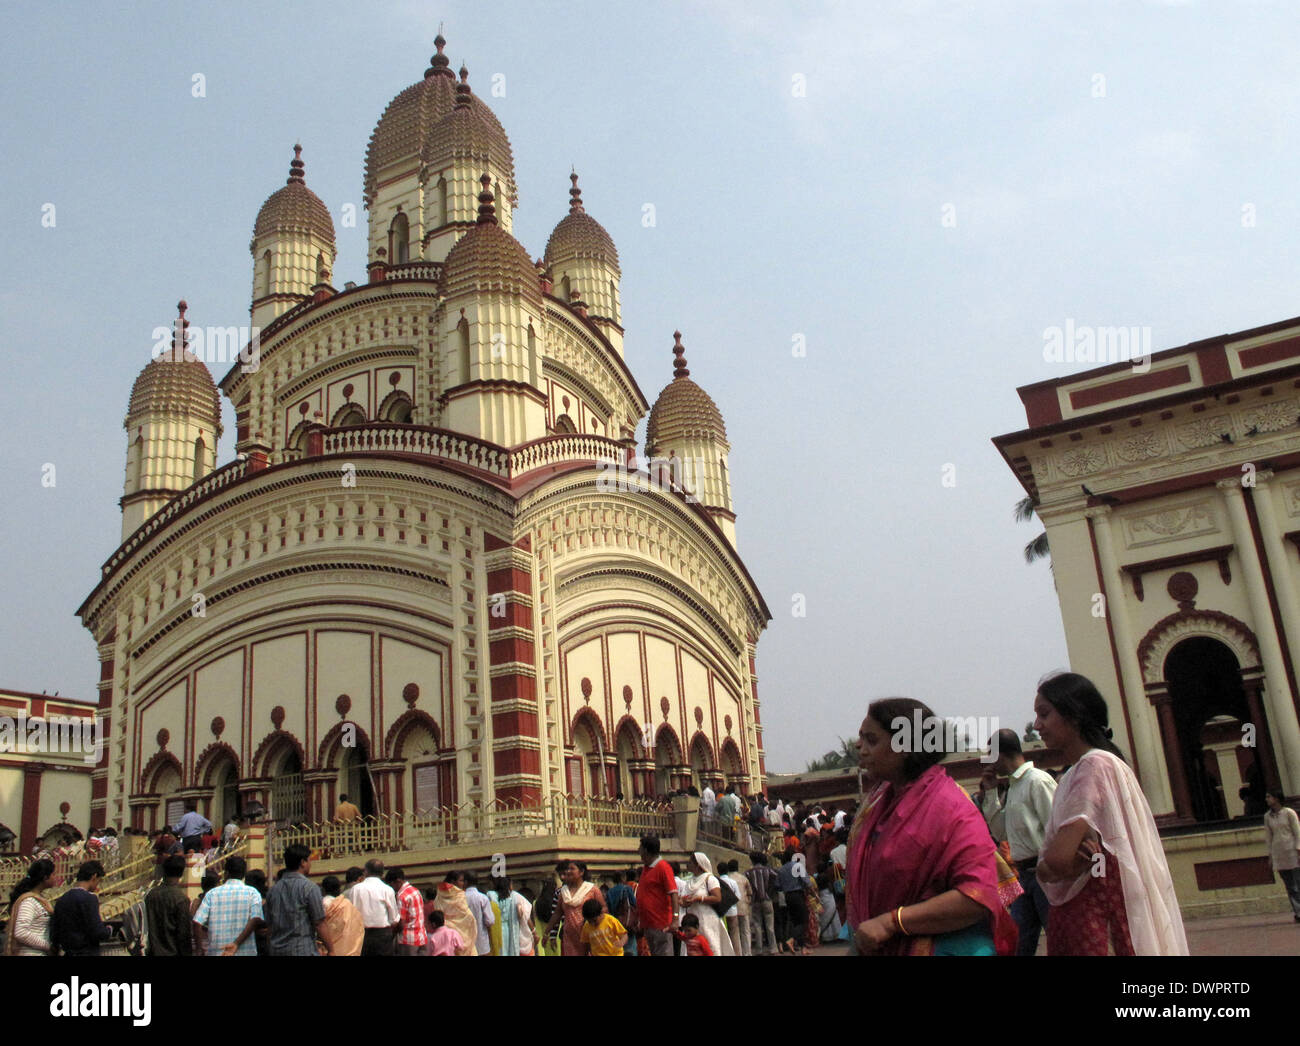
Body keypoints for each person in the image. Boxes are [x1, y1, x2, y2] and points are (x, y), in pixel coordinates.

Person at [849, 698, 1018, 956]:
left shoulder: (949, 807)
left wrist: (892, 921)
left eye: (872, 740)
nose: (860, 747)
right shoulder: (880, 804)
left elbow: (977, 896)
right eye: (861, 738)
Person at [1034, 672, 1187, 955]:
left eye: (1044, 714)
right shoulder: (1075, 775)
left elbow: (1053, 861)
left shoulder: (1093, 767)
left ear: (1074, 715)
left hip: (1099, 914)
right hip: (1093, 909)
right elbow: (1046, 867)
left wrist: (1063, 865)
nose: (1036, 726)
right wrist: (1062, 864)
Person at [980, 726, 1057, 955]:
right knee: (1019, 943)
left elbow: (1056, 827)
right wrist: (991, 793)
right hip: (1025, 876)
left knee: (1059, 938)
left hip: (1044, 874)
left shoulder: (1037, 781)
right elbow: (1003, 832)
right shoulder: (1014, 786)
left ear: (1001, 755)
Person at [260, 844, 325, 956]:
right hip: (303, 949)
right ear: (303, 862)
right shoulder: (310, 888)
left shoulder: (273, 891)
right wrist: (332, 948)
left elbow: (269, 927)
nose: (310, 864)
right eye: (309, 860)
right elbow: (319, 923)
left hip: (277, 950)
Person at [193, 856, 264, 956]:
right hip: (245, 952)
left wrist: (199, 949)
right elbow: (256, 918)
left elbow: (197, 922)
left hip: (217, 952)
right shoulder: (253, 893)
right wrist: (236, 943)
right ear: (244, 873)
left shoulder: (212, 894)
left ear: (226, 873)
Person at [50, 861, 114, 956]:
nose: (97, 885)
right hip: (86, 951)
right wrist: (109, 930)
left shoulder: (62, 899)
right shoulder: (89, 898)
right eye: (98, 881)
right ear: (94, 877)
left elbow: (55, 930)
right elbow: (97, 931)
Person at [546, 860, 605, 956]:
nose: (568, 871)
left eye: (572, 869)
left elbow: (604, 909)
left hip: (590, 936)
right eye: (567, 869)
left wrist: (598, 925)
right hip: (569, 938)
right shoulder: (563, 892)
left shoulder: (592, 890)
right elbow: (557, 913)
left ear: (581, 872)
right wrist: (547, 933)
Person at [680, 852, 734, 956]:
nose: (687, 865)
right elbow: (683, 898)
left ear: (698, 865)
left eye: (690, 862)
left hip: (707, 919)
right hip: (691, 919)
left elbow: (717, 898)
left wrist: (698, 898)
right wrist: (683, 902)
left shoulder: (709, 878)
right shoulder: (689, 881)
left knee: (710, 946)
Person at [635, 835, 679, 956]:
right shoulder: (646, 868)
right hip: (648, 924)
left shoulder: (663, 867)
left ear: (646, 850)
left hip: (661, 924)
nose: (638, 850)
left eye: (640, 847)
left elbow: (674, 894)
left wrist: (675, 919)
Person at [4, 859, 56, 956]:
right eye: (53, 874)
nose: (55, 878)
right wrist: (47, 946)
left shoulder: (40, 900)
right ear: (45, 877)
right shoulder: (29, 902)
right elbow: (21, 932)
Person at [350, 859, 401, 956]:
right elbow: (394, 919)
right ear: (382, 873)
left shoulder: (356, 889)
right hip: (382, 935)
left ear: (366, 871)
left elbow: (351, 915)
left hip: (362, 935)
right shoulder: (387, 890)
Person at [145, 855, 193, 956]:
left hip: (152, 951)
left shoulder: (151, 895)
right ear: (181, 873)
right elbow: (183, 934)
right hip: (173, 952)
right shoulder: (181, 899)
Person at [1264, 789, 1300, 921]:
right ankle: (1298, 912)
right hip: (1279, 853)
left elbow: (1297, 832)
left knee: (1298, 883)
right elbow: (1269, 836)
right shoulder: (1268, 817)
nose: (1267, 799)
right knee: (1290, 885)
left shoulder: (1289, 813)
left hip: (1292, 851)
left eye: (1269, 796)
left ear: (1276, 798)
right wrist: (1270, 855)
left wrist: (1298, 849)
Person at [433, 871, 478, 955]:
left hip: (446, 934)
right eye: (461, 880)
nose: (463, 883)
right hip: (462, 933)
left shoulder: (439, 895)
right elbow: (467, 915)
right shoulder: (460, 895)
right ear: (453, 882)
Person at [318, 875, 364, 956]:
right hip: (346, 947)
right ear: (339, 889)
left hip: (327, 947)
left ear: (323, 889)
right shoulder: (347, 904)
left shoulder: (322, 904)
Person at [387, 867, 427, 955]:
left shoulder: (401, 896)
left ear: (398, 881)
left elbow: (401, 922)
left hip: (408, 940)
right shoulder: (416, 891)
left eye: (391, 885)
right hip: (421, 936)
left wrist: (392, 935)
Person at [745, 851, 778, 954]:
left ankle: (759, 949)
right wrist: (769, 892)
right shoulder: (768, 870)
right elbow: (776, 878)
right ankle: (773, 948)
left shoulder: (748, 872)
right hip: (767, 899)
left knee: (757, 925)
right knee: (770, 925)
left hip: (755, 900)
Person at [721, 859, 751, 955]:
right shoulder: (743, 878)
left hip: (730, 909)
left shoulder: (724, 879)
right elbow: (749, 892)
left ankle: (736, 952)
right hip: (743, 907)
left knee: (734, 932)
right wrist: (748, 902)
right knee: (745, 931)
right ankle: (747, 952)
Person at [463, 871, 495, 956]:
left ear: (465, 882)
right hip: (482, 943)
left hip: (465, 942)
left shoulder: (460, 898)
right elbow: (490, 920)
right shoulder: (483, 898)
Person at [493, 876, 522, 956]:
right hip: (507, 926)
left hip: (497, 926)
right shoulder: (511, 898)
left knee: (501, 950)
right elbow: (520, 913)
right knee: (508, 949)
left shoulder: (494, 896)